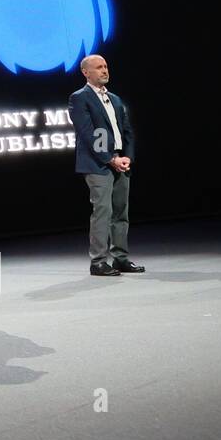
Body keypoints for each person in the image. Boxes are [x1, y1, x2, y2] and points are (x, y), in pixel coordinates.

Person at [69, 54, 144, 276]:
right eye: (99, 67)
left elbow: (127, 131)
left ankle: (120, 257)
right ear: (86, 72)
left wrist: (127, 156)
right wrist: (110, 158)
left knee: (121, 212)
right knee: (103, 211)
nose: (104, 70)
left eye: (106, 66)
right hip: (98, 164)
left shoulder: (115, 99)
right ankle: (98, 261)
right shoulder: (79, 98)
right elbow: (89, 133)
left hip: (121, 162)